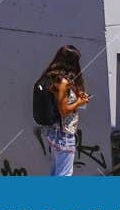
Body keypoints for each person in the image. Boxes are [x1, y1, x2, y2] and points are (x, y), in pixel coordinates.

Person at [38, 44, 90, 176]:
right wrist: (80, 102)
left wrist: (77, 98)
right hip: (63, 133)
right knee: (65, 174)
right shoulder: (63, 82)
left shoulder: (50, 76)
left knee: (56, 171)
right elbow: (64, 110)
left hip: (54, 131)